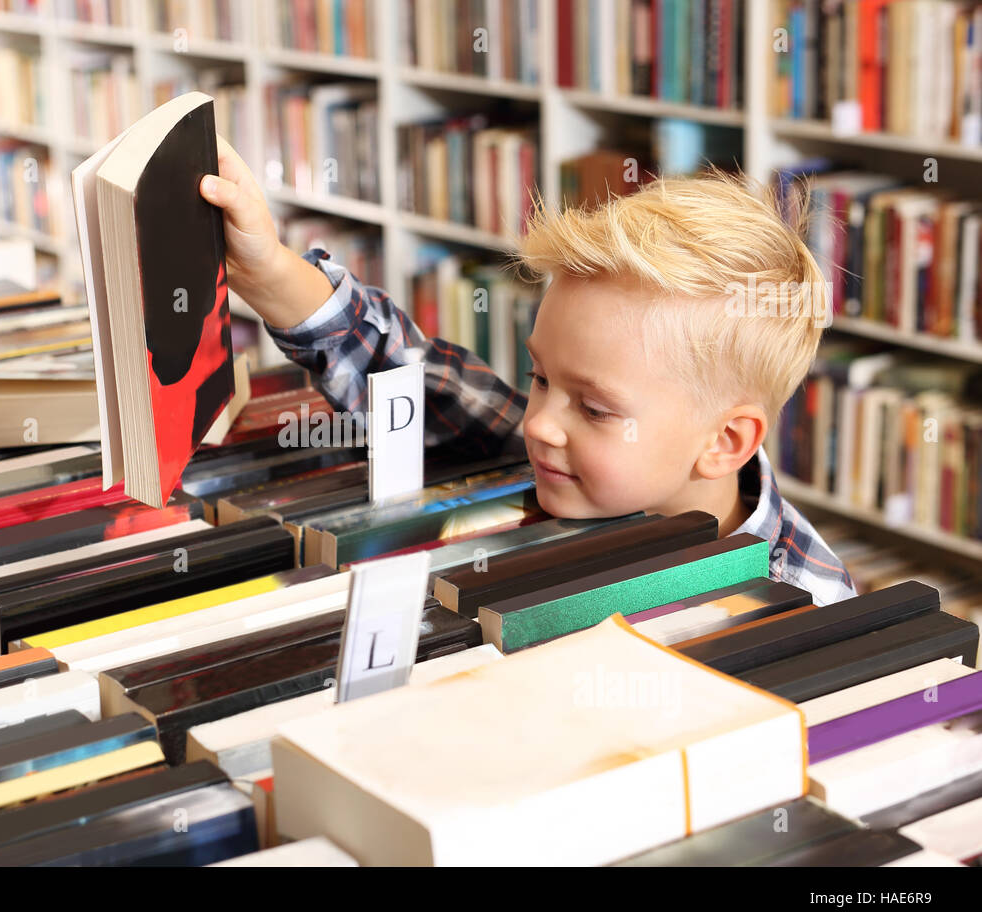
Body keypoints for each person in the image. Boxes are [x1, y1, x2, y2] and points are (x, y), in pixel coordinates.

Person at [200, 138, 857, 606]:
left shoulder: (806, 599)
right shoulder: (554, 451)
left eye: (596, 409)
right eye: (542, 377)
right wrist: (267, 271)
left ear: (724, 443)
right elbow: (401, 371)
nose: (538, 423)